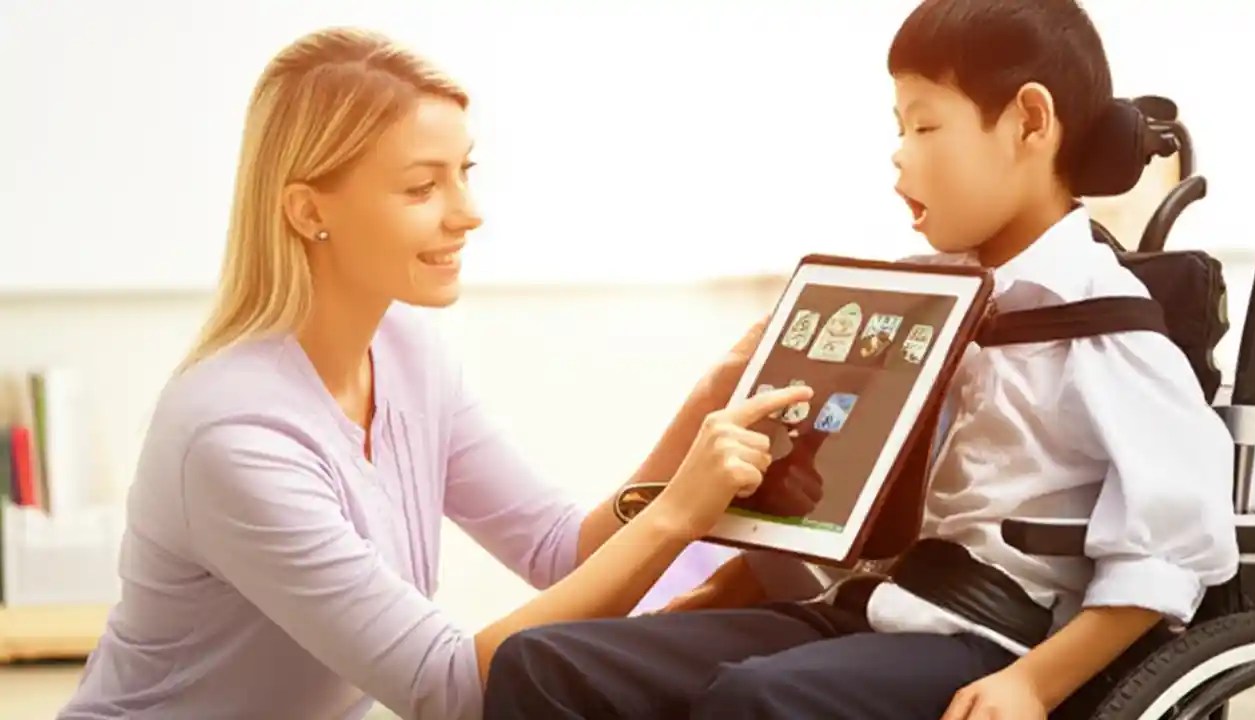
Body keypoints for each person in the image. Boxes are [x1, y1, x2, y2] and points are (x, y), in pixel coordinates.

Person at [481, 1, 1240, 718]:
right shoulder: (910, 304)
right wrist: (728, 580)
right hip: (860, 609)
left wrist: (1034, 684)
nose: (899, 157)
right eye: (898, 127)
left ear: (1028, 121)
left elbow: (1174, 548)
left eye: (925, 125)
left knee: (757, 701)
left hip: (986, 638)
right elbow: (835, 510)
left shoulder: (1111, 329)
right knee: (541, 665)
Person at [55, 27, 812, 720]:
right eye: (422, 187)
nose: (468, 212)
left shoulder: (407, 351)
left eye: (464, 173)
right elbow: (449, 688)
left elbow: (560, 552)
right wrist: (679, 512)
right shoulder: (235, 438)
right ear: (306, 209)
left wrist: (703, 406)